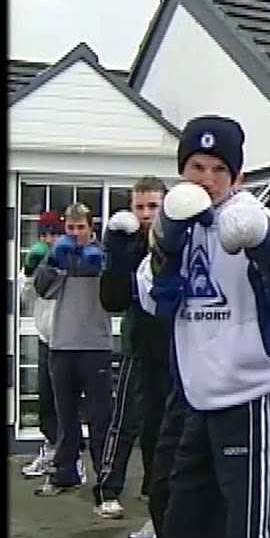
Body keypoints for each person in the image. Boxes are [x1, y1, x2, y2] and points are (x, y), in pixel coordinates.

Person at [136, 114, 270, 538]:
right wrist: (165, 251)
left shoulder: (260, 219)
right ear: (182, 171)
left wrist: (267, 248)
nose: (208, 180)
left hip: (252, 400)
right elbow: (152, 300)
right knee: (186, 536)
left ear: (237, 176)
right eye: (197, 166)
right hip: (194, 400)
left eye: (220, 169)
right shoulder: (171, 224)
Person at [95, 177, 168, 520]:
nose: (146, 214)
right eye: (140, 207)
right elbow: (112, 300)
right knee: (124, 419)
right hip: (137, 345)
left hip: (173, 350)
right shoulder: (128, 243)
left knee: (165, 431)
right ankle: (107, 488)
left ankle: (157, 499)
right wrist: (114, 254)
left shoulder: (176, 240)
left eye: (153, 206)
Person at [32, 202, 115, 497]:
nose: (76, 233)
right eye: (71, 227)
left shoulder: (103, 254)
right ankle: (64, 475)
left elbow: (117, 293)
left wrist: (104, 266)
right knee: (65, 417)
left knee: (100, 419)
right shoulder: (58, 255)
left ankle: (106, 486)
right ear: (65, 228)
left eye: (81, 228)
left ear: (91, 228)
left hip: (95, 345)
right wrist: (55, 263)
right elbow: (41, 290)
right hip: (62, 344)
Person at [21, 210, 72, 479]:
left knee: (65, 405)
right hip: (45, 339)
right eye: (45, 234)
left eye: (54, 233)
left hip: (67, 342)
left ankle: (69, 460)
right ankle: (52, 451)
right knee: (46, 405)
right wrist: (30, 270)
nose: (49, 239)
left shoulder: (68, 261)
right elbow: (25, 296)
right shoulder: (39, 261)